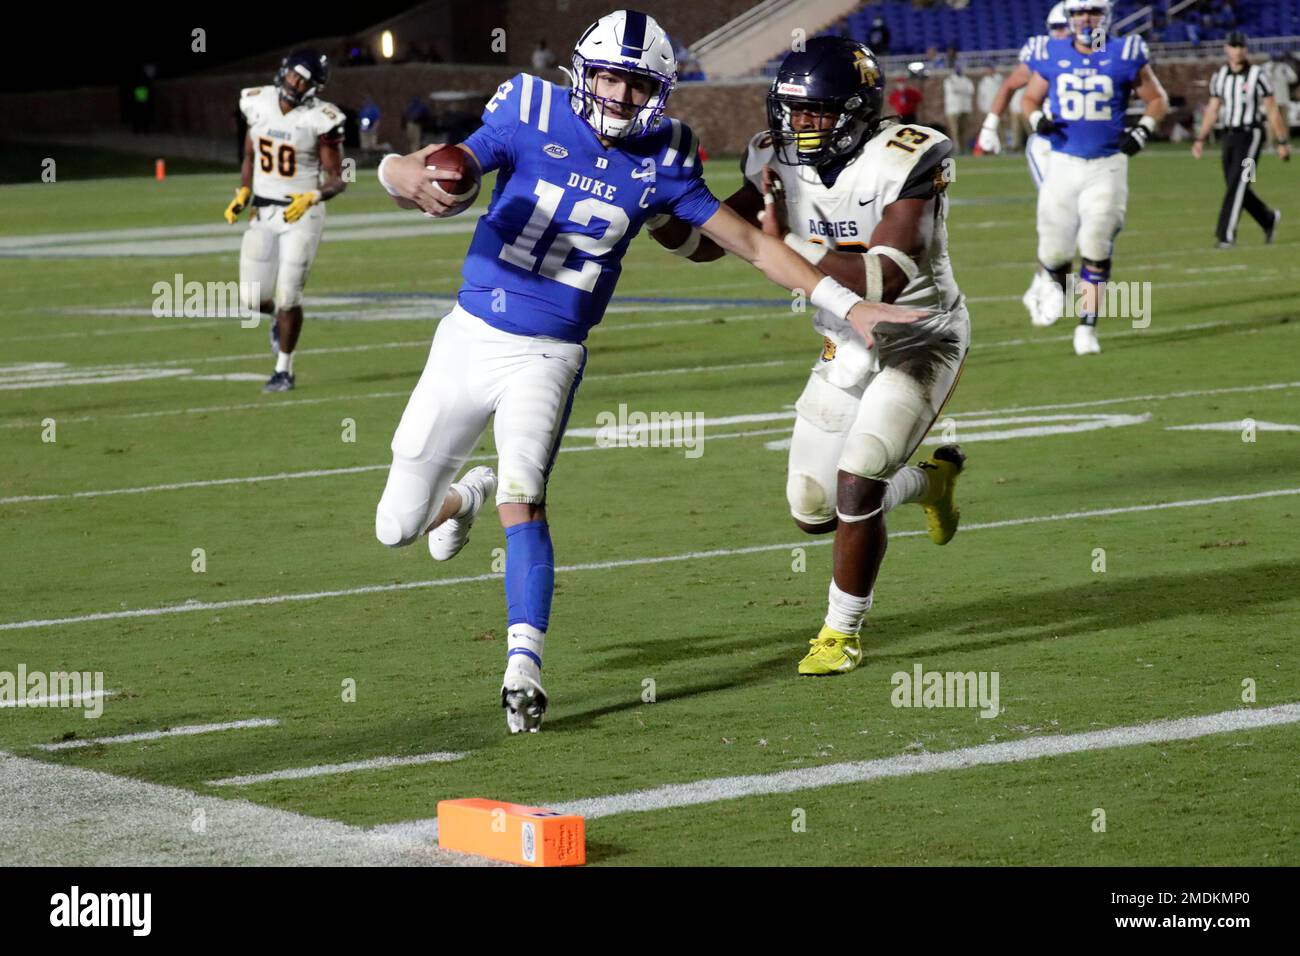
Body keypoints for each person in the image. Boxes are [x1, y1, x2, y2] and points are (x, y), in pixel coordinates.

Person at [372, 12, 925, 732]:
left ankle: (523, 668)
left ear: (658, 92)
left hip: (549, 353)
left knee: (525, 497)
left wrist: (848, 305)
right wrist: (397, 171)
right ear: (583, 73)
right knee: (396, 527)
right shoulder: (529, 107)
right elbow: (441, 167)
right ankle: (464, 496)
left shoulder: (665, 154)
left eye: (636, 85)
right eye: (608, 78)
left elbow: (751, 247)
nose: (619, 96)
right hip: (467, 337)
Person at [651, 38, 970, 676]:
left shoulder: (911, 154)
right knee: (812, 510)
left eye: (816, 112)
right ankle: (928, 483)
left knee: (860, 476)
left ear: (857, 110)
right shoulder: (774, 156)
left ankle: (839, 632)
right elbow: (706, 245)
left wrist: (787, 241)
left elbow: (884, 279)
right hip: (843, 343)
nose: (800, 125)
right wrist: (657, 205)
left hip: (918, 338)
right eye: (791, 111)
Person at [1020, 0, 1170, 355]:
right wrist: (1036, 119)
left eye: (1093, 11)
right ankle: (1057, 285)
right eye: (1078, 12)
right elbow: (1029, 98)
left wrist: (1143, 130)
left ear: (1106, 15)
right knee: (1054, 251)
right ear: (1069, 17)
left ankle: (1087, 327)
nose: (1085, 19)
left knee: (1096, 242)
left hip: (1107, 164)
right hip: (1062, 163)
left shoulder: (1124, 52)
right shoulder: (1052, 51)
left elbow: (1157, 99)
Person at [226, 48, 347, 392]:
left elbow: (339, 177)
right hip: (263, 211)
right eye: (294, 75)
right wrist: (243, 191)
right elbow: (250, 155)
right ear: (284, 71)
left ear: (315, 88)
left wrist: (314, 196)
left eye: (304, 81)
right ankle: (279, 320)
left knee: (289, 294)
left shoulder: (320, 118)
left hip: (302, 214)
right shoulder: (258, 102)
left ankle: (284, 369)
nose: (295, 83)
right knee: (252, 298)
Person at [977, 2, 1071, 325]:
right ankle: (1050, 285)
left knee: (1080, 218)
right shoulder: (1043, 52)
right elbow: (1011, 85)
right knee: (1062, 214)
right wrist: (990, 125)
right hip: (1048, 145)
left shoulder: (1097, 51)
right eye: (1057, 27)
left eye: (1067, 25)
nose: (1063, 32)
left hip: (1082, 147)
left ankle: (1042, 282)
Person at [1192, 32, 1290, 247]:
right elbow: (1213, 109)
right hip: (1229, 136)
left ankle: (1225, 236)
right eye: (1234, 46)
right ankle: (1268, 219)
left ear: (1246, 49)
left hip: (1251, 137)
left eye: (1241, 46)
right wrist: (1200, 138)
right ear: (1226, 48)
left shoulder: (1258, 75)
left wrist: (1281, 142)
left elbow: (1272, 109)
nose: (1237, 51)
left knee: (1239, 183)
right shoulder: (1220, 76)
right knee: (1237, 185)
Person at [1262, 52, 1297, 151]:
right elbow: (1264, 80)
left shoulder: (1284, 67)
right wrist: (1271, 70)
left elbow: (1293, 78)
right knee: (1271, 123)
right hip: (1271, 100)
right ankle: (1270, 144)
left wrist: (1286, 72)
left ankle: (1285, 143)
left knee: (1284, 122)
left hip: (1283, 99)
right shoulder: (1266, 67)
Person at [944, 64, 975, 154]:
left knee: (963, 130)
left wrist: (961, 90)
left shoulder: (967, 80)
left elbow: (971, 91)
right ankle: (957, 149)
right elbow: (954, 90)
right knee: (955, 130)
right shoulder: (949, 80)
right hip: (952, 109)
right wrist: (963, 90)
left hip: (964, 108)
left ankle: (963, 148)